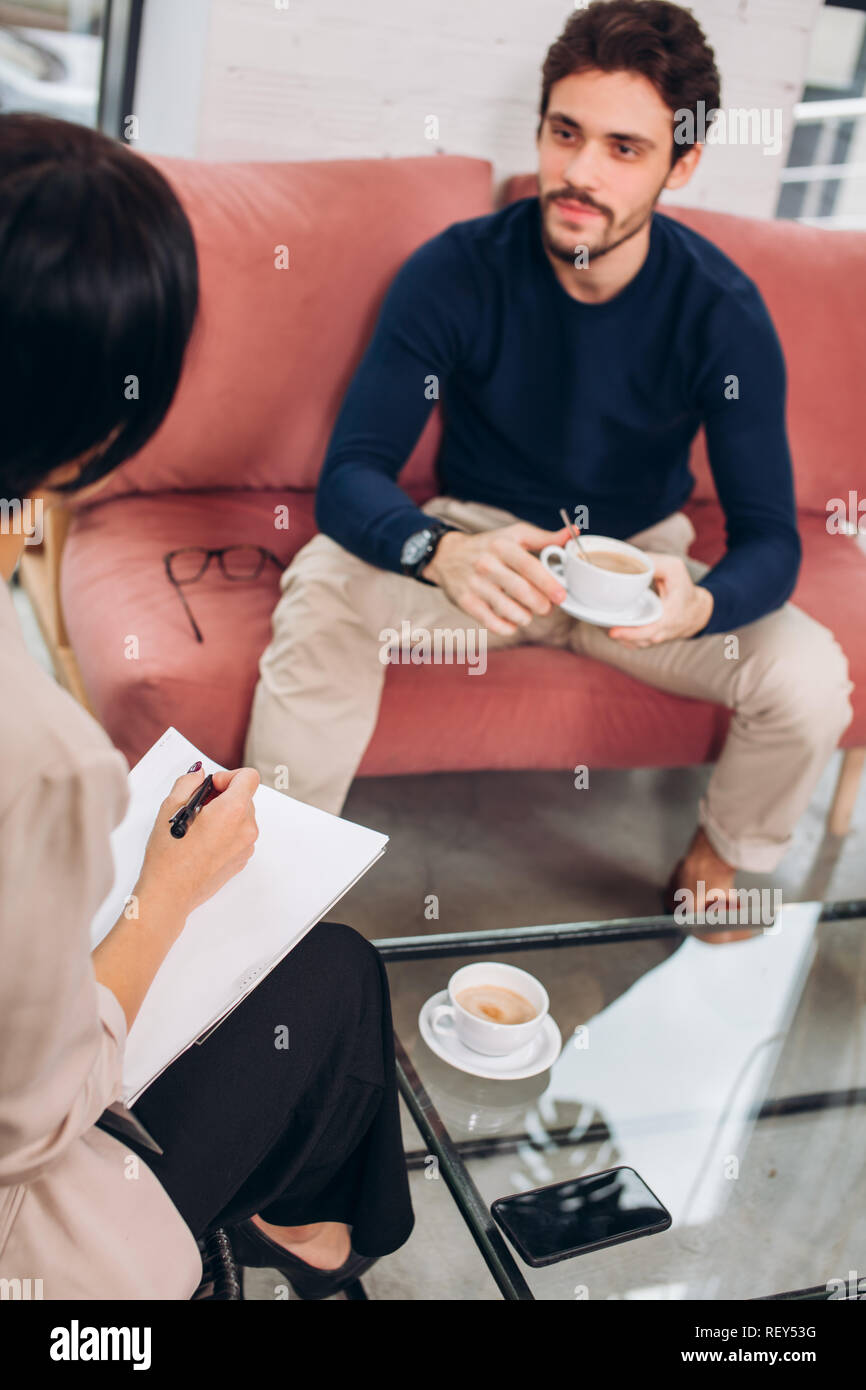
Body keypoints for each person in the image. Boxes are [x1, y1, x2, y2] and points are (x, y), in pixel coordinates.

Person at [245, 0, 853, 931]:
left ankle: (723, 855)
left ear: (680, 164)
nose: (577, 172)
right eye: (566, 133)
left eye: (624, 148)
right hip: (480, 552)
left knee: (811, 676)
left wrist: (702, 604)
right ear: (540, 126)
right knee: (324, 583)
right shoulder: (454, 270)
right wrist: (436, 550)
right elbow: (350, 478)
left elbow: (769, 537)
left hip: (634, 573)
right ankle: (266, 880)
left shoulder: (723, 313)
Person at [0, 113, 413, 1301]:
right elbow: (29, 1119)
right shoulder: (44, 759)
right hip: (42, 1252)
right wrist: (158, 901)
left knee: (330, 979)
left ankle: (316, 1239)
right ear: (93, 440)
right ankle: (306, 1250)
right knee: (333, 981)